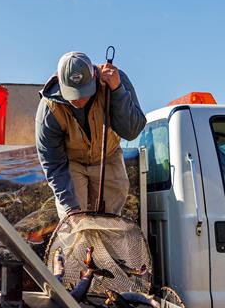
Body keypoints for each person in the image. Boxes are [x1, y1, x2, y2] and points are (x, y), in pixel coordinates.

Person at [36, 51, 145, 218]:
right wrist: (70, 206)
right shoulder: (48, 109)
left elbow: (131, 131)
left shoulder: (115, 80)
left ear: (94, 76)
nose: (79, 99)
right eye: (72, 93)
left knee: (109, 223)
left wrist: (117, 91)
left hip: (108, 157)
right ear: (59, 82)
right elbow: (53, 164)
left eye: (84, 92)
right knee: (74, 221)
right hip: (71, 163)